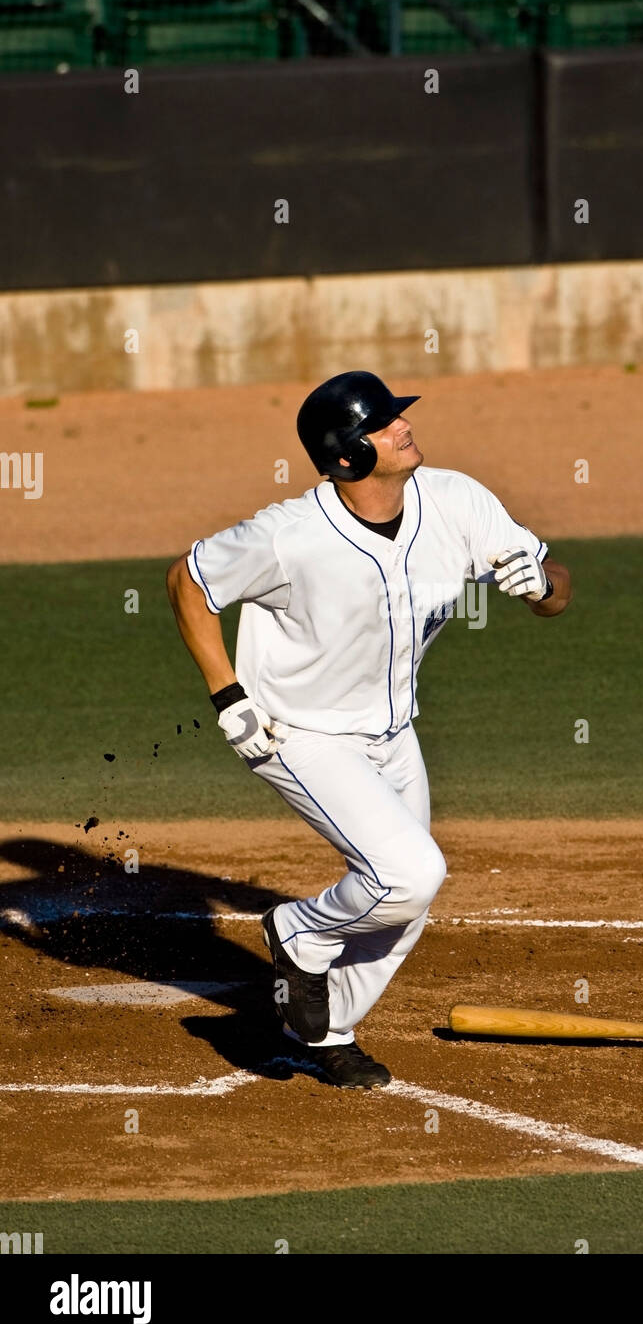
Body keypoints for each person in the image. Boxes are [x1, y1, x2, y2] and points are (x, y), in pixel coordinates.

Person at [166, 371, 571, 1088]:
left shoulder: (456, 501)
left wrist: (538, 587)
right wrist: (228, 694)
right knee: (410, 873)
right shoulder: (289, 536)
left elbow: (559, 593)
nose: (403, 427)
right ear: (349, 456)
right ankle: (299, 932)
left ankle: (320, 1031)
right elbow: (187, 582)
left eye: (397, 417)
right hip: (298, 732)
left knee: (402, 905)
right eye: (383, 424)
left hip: (393, 734)